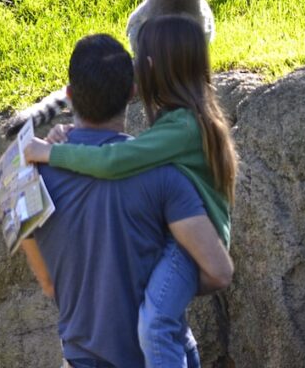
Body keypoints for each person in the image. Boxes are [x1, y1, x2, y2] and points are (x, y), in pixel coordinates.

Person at [20, 28, 234, 368]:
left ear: (71, 95)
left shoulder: (29, 181)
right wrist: (153, 295)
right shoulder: (165, 176)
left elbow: (48, 284)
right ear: (133, 92)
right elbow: (219, 271)